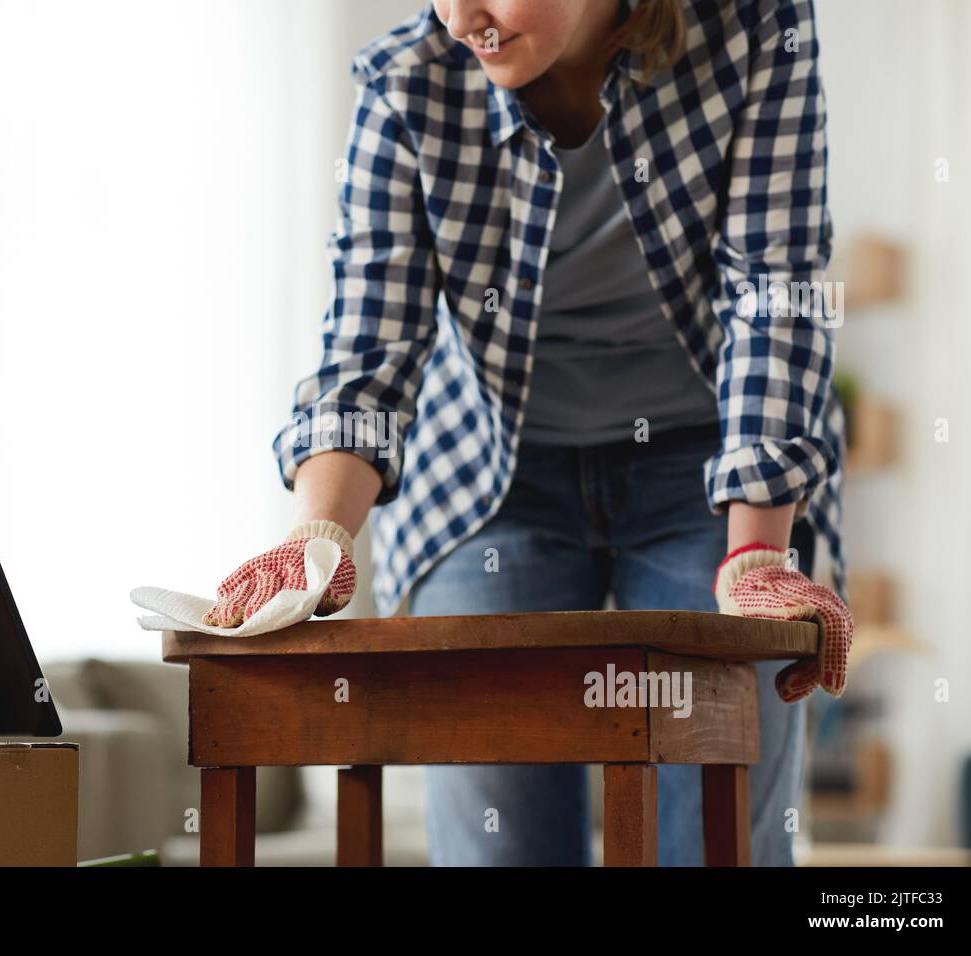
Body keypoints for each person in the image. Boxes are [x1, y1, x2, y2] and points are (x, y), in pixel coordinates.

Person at [203, 0, 852, 866]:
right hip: (491, 482)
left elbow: (777, 289)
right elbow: (370, 344)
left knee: (717, 824)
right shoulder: (404, 84)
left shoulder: (755, 26)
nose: (464, 14)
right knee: (495, 840)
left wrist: (758, 557)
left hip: (713, 472)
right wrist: (316, 535)